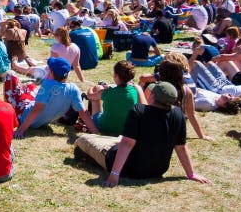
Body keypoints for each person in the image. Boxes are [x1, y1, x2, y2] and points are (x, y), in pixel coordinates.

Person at [76, 81, 212, 187]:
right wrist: (191, 173)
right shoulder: (178, 114)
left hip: (129, 169)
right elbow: (181, 147)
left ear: (153, 96)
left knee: (84, 139)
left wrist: (114, 174)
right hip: (158, 170)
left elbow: (127, 144)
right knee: (118, 140)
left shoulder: (139, 111)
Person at [14, 57, 99, 137]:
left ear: (51, 72)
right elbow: (83, 113)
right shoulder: (73, 89)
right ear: (67, 74)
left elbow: (36, 109)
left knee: (12, 77)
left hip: (24, 115)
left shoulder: (47, 85)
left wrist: (21, 130)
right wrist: (95, 132)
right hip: (43, 121)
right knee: (30, 87)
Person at [87, 60, 146, 136]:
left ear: (115, 75)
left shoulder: (107, 92)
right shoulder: (135, 91)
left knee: (97, 88)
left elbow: (90, 96)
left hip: (105, 128)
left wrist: (90, 89)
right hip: (126, 130)